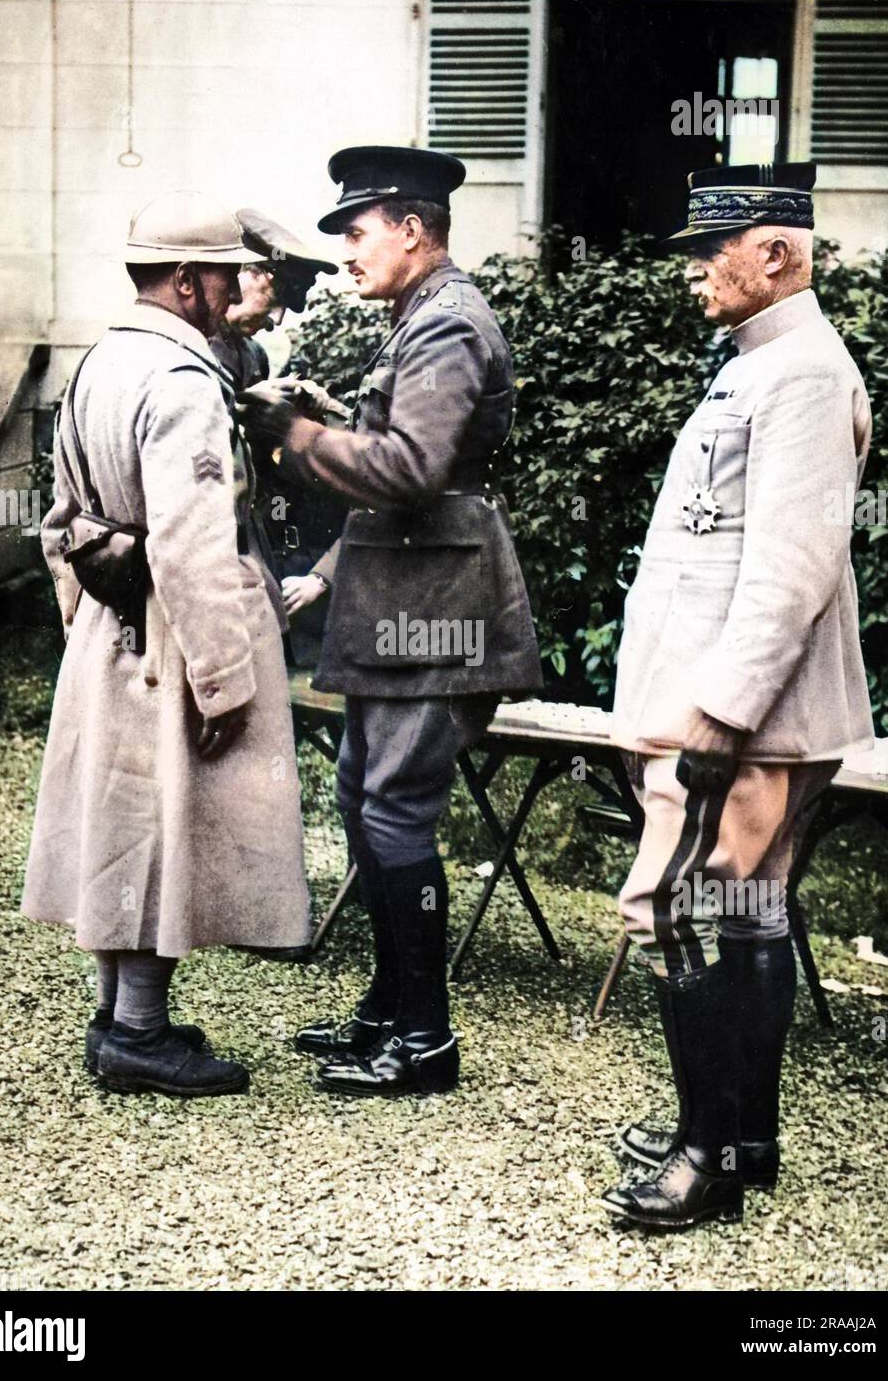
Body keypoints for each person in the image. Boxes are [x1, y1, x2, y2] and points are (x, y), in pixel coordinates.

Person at [601, 163, 874, 1227]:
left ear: (776, 252)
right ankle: (742, 1137)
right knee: (751, 914)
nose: (693, 270)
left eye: (710, 248)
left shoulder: (797, 370)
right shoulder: (760, 361)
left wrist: (715, 716)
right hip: (753, 706)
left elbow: (789, 570)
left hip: (743, 712)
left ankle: (702, 1154)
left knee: (673, 905)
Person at [241, 146, 543, 1096]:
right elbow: (415, 445)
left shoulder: (447, 326)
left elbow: (413, 471)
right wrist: (334, 414)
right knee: (365, 796)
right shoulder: (421, 316)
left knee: (397, 810)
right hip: (404, 598)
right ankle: (386, 1009)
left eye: (358, 232)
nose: (347, 254)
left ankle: (424, 1041)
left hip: (437, 606)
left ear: (414, 230)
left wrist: (293, 433)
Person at [22, 191, 311, 1097]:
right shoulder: (183, 382)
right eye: (224, 274)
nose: (234, 291)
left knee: (122, 817)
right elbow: (193, 546)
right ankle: (139, 1034)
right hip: (174, 634)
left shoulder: (101, 361)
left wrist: (82, 610)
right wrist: (223, 679)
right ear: (186, 280)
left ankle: (120, 1016)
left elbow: (60, 516)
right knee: (165, 821)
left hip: (114, 629)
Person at [211, 211, 347, 667]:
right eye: (275, 298)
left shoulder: (250, 356)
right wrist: (243, 402)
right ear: (244, 274)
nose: (277, 320)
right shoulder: (186, 346)